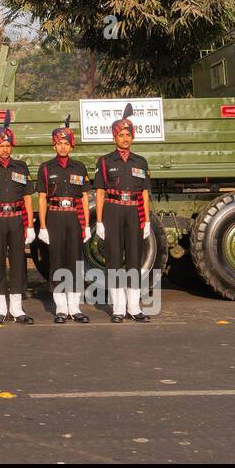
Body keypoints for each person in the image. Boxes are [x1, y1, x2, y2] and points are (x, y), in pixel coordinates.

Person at [94, 104, 153, 323]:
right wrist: (99, 221)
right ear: (114, 137)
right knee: (115, 259)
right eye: (121, 135)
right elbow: (100, 193)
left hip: (134, 211)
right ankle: (118, 308)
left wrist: (146, 220)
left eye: (128, 135)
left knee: (135, 259)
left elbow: (145, 194)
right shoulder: (105, 161)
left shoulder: (141, 162)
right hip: (113, 210)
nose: (125, 138)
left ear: (132, 137)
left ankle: (134, 307)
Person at [0, 112, 35, 325]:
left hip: (17, 219)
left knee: (18, 263)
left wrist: (29, 226)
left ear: (12, 146)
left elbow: (28, 197)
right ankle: (0, 309)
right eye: (1, 145)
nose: (5, 148)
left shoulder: (21, 168)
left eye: (8, 145)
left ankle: (17, 308)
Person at [36, 114, 92, 324]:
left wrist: (86, 225)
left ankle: (75, 307)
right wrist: (42, 225)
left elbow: (85, 197)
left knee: (75, 262)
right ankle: (60, 308)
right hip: (55, 217)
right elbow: (42, 198)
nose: (62, 147)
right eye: (59, 143)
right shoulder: (46, 168)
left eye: (66, 143)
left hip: (74, 218)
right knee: (57, 261)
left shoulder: (79, 168)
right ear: (54, 145)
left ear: (71, 145)